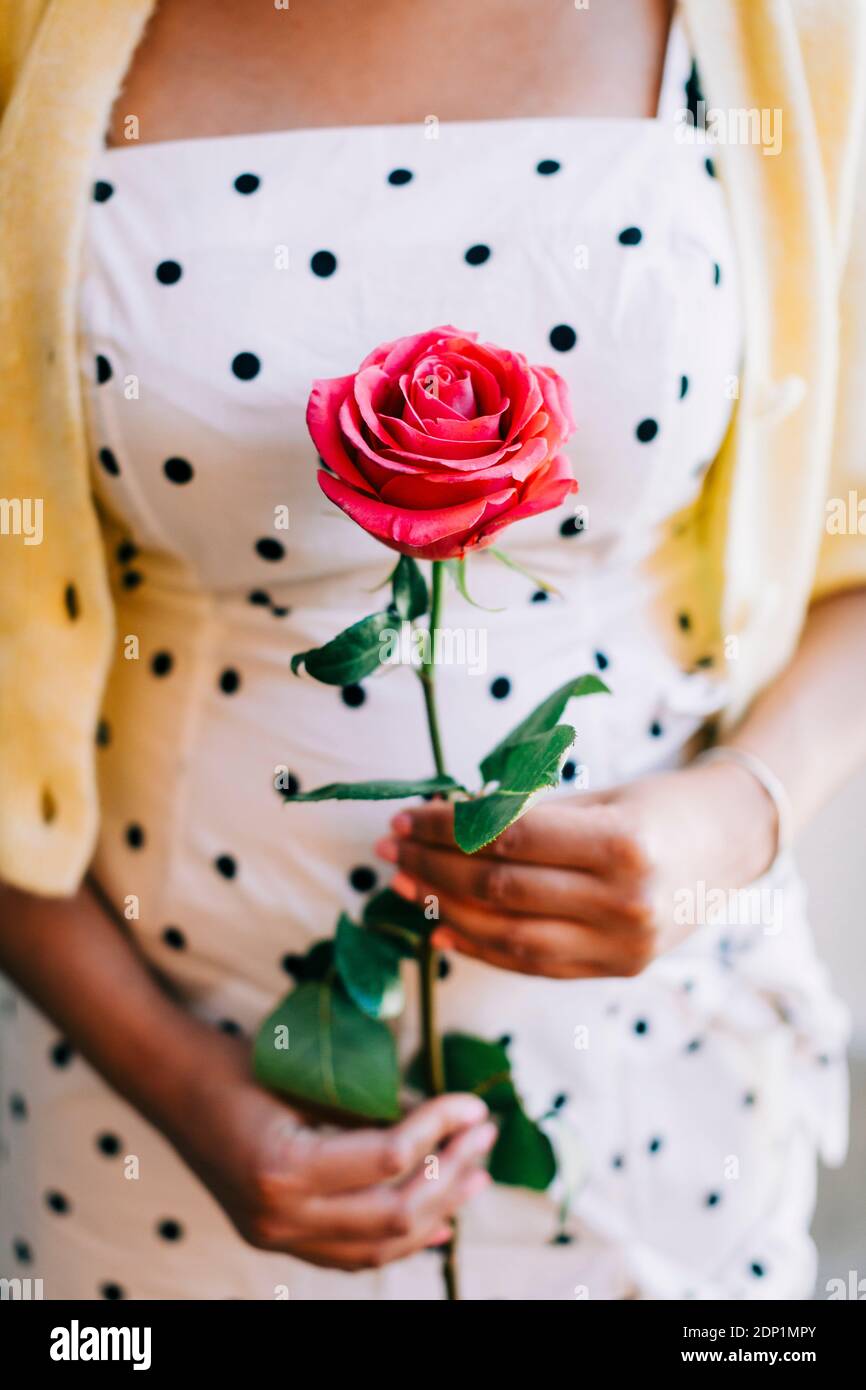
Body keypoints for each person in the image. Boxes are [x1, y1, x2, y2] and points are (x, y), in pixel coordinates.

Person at [0, 0, 864, 1300]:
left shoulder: (786, 34)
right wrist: (181, 1086)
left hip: (657, 1092)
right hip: (169, 1079)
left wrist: (732, 821)